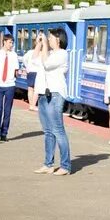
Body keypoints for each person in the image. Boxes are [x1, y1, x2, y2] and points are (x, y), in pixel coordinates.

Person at [35, 27, 72, 176]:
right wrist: (39, 44)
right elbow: (31, 60)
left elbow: (47, 64)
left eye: (50, 38)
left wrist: (44, 46)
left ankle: (65, 165)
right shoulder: (49, 53)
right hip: (44, 94)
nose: (48, 40)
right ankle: (48, 164)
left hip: (56, 94)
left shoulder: (62, 54)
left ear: (58, 39)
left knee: (58, 130)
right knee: (48, 132)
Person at [0, 34, 19, 142]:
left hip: (10, 85)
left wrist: (14, 77)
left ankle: (4, 133)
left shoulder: (14, 55)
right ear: (4, 42)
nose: (11, 45)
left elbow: (16, 71)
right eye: (9, 42)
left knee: (7, 111)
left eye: (12, 42)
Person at [24, 34, 44, 110]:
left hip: (30, 72)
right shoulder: (42, 53)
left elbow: (24, 60)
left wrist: (27, 67)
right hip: (38, 72)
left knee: (30, 89)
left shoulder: (29, 52)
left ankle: (30, 104)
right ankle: (33, 105)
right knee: (36, 89)